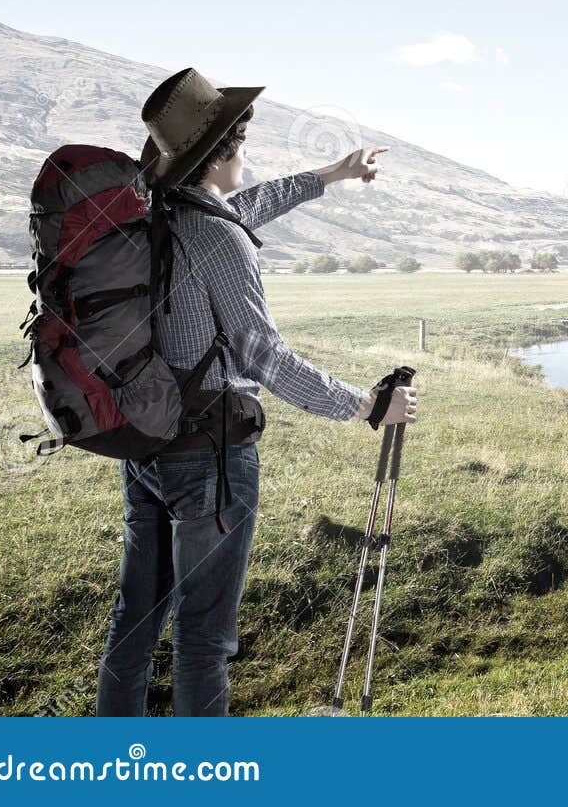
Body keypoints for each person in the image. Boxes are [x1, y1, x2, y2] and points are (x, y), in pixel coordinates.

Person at [95, 67, 418, 717]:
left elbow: (253, 203)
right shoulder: (217, 238)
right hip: (212, 461)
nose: (248, 156)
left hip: (147, 450)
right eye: (241, 145)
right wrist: (367, 405)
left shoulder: (165, 217)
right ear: (220, 155)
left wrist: (330, 175)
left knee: (136, 623)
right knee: (203, 640)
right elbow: (260, 352)